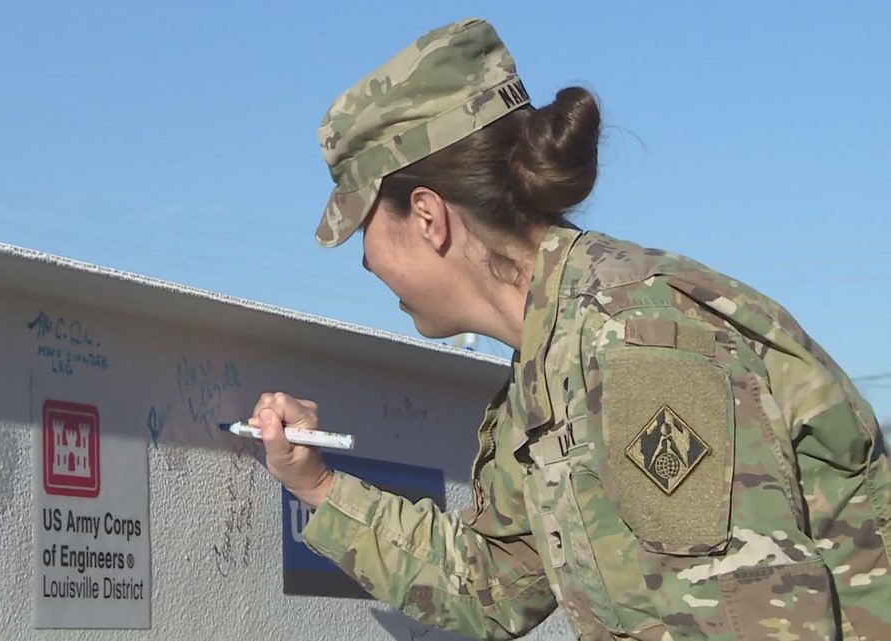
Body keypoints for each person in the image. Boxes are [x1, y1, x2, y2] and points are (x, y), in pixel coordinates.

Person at [247, 17, 891, 641]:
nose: (366, 262)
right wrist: (315, 483)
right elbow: (490, 588)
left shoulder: (636, 345)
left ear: (426, 217)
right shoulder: (553, 358)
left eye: (365, 228)